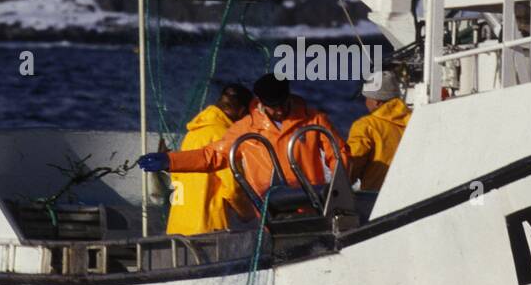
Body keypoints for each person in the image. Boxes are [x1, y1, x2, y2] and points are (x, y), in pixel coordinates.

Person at [137, 73, 348, 218]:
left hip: (313, 206)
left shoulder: (315, 120)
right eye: (272, 107)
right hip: (270, 211)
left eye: (283, 104)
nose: (279, 111)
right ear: (261, 103)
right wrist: (171, 160)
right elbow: (212, 156)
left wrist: (339, 189)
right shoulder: (245, 128)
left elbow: (339, 154)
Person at [164, 83, 253, 236]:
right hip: (209, 229)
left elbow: (177, 175)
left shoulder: (192, 133)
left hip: (178, 226)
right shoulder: (226, 137)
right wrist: (248, 213)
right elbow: (232, 188)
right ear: (242, 111)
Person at [346, 71, 410, 192]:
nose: (365, 102)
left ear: (376, 102)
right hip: (410, 194)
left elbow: (353, 165)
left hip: (375, 197)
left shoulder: (366, 126)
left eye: (366, 98)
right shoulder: (415, 120)